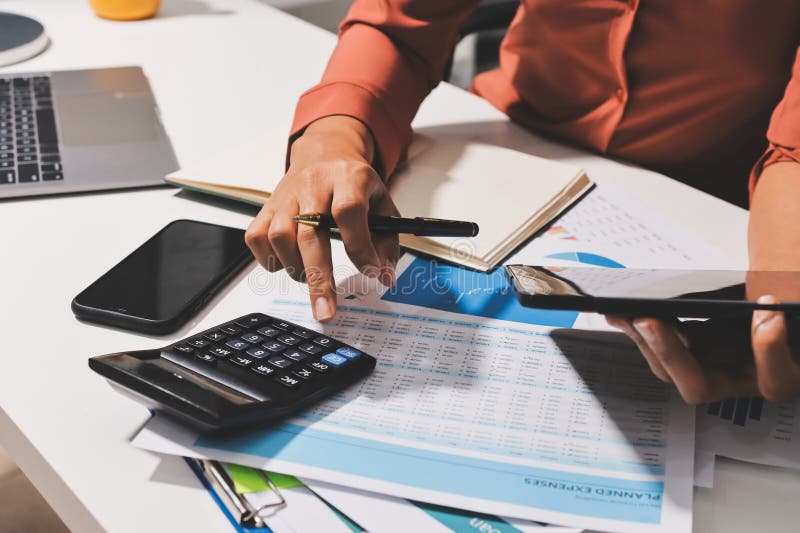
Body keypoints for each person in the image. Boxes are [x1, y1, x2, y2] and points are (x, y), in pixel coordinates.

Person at [245, 1, 800, 403]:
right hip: (508, 144)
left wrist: (783, 302)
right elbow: (402, 25)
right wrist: (331, 142)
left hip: (715, 198)